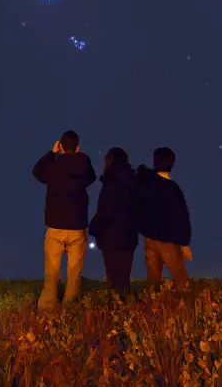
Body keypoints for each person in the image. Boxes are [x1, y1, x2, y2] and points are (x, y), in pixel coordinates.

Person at [32, 129, 97, 315]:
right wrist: (79, 156)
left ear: (60, 145)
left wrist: (52, 153)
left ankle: (48, 308)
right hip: (77, 226)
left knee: (52, 270)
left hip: (55, 226)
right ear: (77, 147)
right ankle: (70, 307)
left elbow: (36, 171)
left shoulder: (53, 166)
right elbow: (91, 177)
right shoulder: (84, 164)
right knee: (74, 271)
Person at [137, 147, 192, 290]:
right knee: (180, 277)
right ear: (172, 164)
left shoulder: (146, 184)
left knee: (153, 277)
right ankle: (185, 305)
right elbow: (182, 217)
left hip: (149, 237)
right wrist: (185, 244)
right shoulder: (172, 189)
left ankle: (153, 305)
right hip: (168, 240)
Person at [88, 147, 139, 296]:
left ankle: (119, 311)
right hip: (129, 237)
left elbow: (106, 211)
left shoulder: (111, 183)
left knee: (115, 280)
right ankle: (127, 310)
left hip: (112, 238)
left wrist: (94, 228)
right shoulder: (132, 182)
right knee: (124, 279)